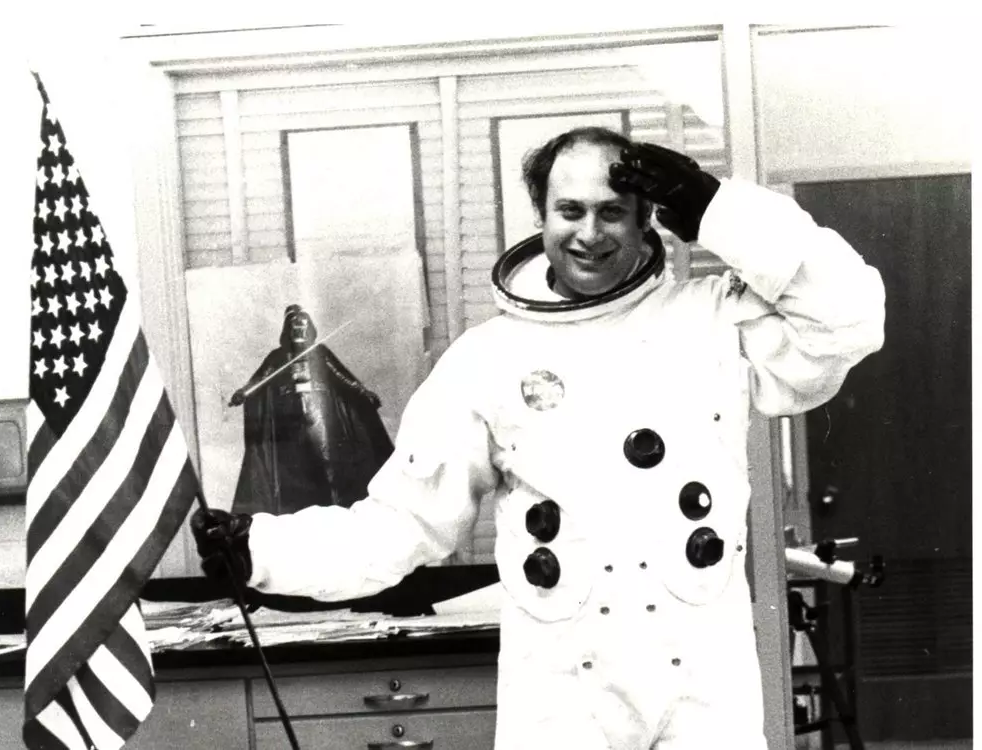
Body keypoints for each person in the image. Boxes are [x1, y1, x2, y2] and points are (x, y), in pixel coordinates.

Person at [192, 127, 885, 749]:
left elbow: (850, 318)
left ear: (649, 221)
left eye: (613, 211)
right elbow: (399, 526)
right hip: (563, 702)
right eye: (570, 211)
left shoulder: (712, 322)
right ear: (541, 217)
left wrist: (720, 210)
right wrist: (262, 551)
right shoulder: (487, 359)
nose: (590, 233)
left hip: (702, 693)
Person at [229, 304, 394, 514]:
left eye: (302, 328)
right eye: (294, 328)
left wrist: (363, 392)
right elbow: (260, 379)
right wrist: (243, 392)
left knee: (327, 463)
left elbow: (341, 377)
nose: (299, 332)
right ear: (287, 331)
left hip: (320, 416)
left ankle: (335, 505)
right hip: (287, 417)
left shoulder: (320, 352)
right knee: (292, 468)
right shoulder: (277, 357)